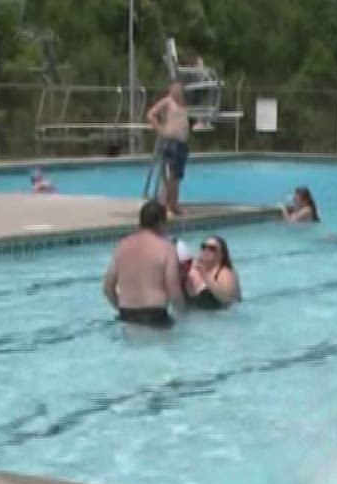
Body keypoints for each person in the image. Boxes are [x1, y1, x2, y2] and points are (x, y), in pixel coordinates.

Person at [102, 200, 185, 328]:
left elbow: (108, 288)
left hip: (126, 314)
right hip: (155, 314)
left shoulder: (122, 245)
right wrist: (183, 313)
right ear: (160, 222)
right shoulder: (166, 248)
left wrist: (120, 308)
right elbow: (174, 289)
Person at [146, 82, 192, 217]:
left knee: (177, 176)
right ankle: (164, 206)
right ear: (171, 89)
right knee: (169, 176)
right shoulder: (167, 101)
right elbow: (150, 114)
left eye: (180, 88)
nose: (178, 90)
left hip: (181, 143)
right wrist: (160, 130)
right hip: (170, 142)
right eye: (175, 88)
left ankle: (174, 204)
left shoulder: (183, 104)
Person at [184, 235, 241, 310]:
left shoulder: (224, 273)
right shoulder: (194, 270)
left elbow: (227, 299)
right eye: (203, 247)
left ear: (221, 254)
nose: (206, 250)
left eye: (212, 248)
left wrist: (204, 274)